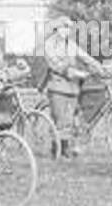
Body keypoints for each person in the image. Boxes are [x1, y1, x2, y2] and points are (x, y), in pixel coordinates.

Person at [43, 14, 108, 159]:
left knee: (69, 118)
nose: (66, 31)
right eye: (64, 27)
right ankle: (57, 148)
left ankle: (65, 147)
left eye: (69, 28)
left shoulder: (70, 44)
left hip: (72, 88)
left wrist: (100, 67)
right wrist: (75, 73)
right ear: (57, 28)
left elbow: (85, 57)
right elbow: (55, 65)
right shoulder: (49, 44)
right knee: (60, 119)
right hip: (57, 86)